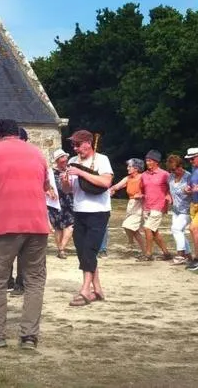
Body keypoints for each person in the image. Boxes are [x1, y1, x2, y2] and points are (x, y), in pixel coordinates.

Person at [0, 119, 50, 350]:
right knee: (34, 281)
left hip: (5, 224)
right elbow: (45, 186)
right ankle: (29, 336)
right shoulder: (37, 153)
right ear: (18, 133)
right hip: (37, 224)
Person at [61, 129, 112, 307]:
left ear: (88, 143)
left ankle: (85, 290)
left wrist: (81, 173)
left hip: (98, 211)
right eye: (73, 144)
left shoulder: (102, 159)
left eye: (77, 144)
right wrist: (65, 181)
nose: (75, 148)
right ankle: (97, 289)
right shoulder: (72, 162)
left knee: (90, 250)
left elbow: (106, 182)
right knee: (82, 251)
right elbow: (68, 190)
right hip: (79, 210)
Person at [109, 158, 146, 259]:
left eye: (130, 166)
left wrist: (142, 195)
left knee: (129, 226)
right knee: (131, 228)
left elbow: (149, 190)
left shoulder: (143, 177)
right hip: (131, 204)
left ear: (136, 168)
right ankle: (139, 248)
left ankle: (137, 246)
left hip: (140, 204)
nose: (127, 168)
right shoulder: (128, 178)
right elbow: (117, 186)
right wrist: (111, 190)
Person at [140, 150, 172, 261]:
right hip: (147, 206)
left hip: (159, 206)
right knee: (154, 231)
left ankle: (148, 254)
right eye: (146, 160)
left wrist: (169, 195)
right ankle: (166, 253)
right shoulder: (144, 175)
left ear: (156, 162)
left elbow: (172, 187)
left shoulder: (165, 174)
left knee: (147, 228)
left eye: (150, 160)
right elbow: (142, 189)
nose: (147, 163)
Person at [165, 154, 192, 265]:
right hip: (176, 209)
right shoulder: (170, 177)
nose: (174, 172)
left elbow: (195, 190)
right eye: (171, 170)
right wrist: (169, 196)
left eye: (175, 169)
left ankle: (180, 254)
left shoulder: (189, 177)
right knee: (179, 231)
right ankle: (189, 256)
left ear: (180, 166)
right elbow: (169, 190)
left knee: (176, 229)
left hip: (187, 209)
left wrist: (190, 191)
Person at [48, 150, 74, 260]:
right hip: (56, 202)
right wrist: (49, 191)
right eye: (62, 158)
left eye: (65, 157)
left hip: (70, 200)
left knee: (71, 225)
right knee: (58, 227)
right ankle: (60, 249)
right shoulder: (50, 172)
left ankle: (62, 248)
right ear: (57, 160)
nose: (65, 160)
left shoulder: (71, 170)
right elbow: (45, 183)